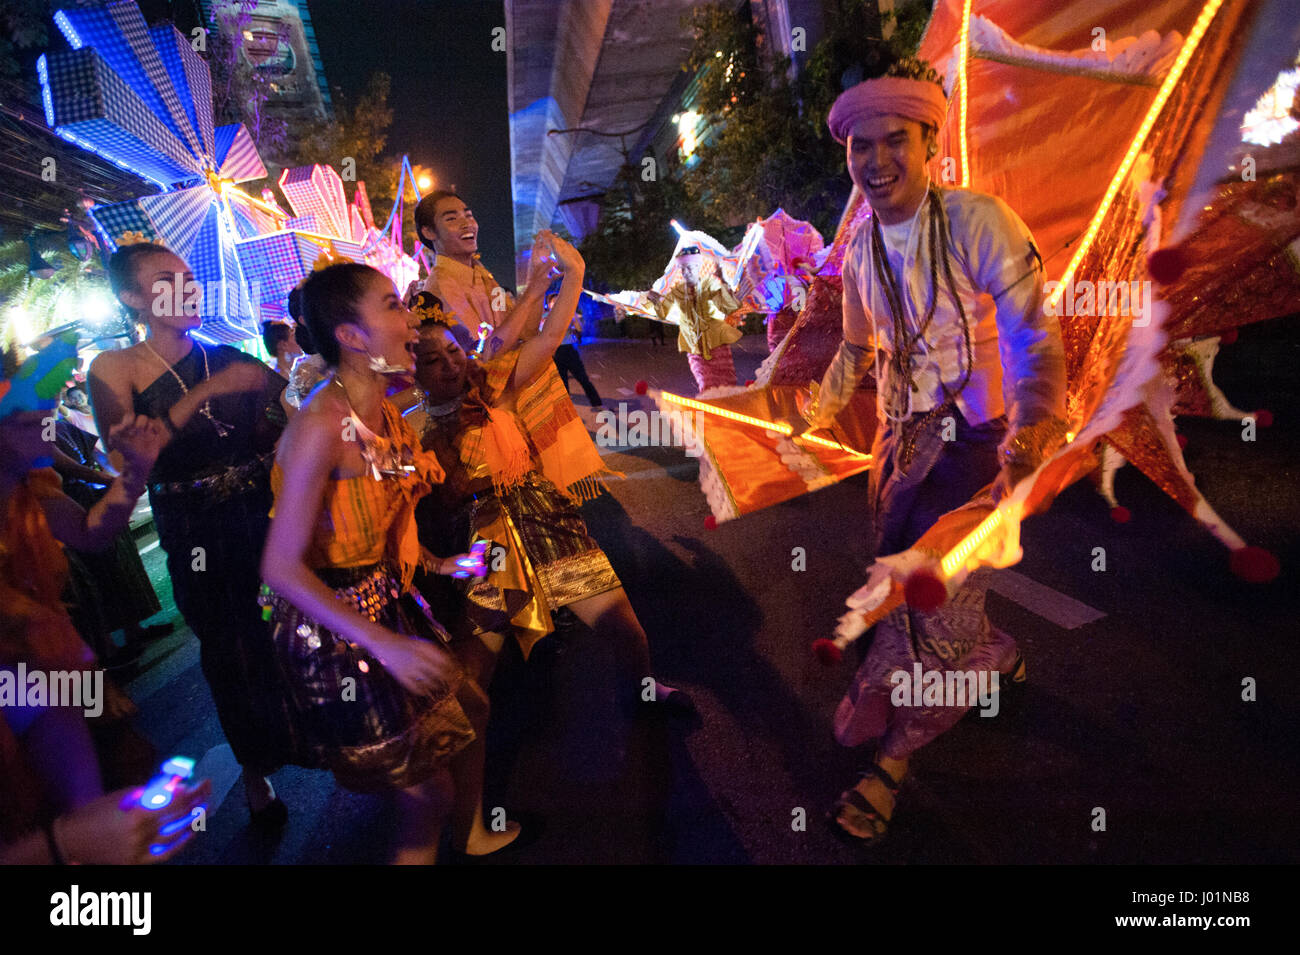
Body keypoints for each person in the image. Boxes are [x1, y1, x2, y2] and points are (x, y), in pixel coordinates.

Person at [800, 58, 1068, 844]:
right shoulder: (858, 254)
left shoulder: (982, 220)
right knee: (906, 595)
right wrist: (811, 411)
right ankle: (999, 656)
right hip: (897, 451)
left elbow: (1033, 334)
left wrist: (1034, 424)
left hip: (979, 446)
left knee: (927, 607)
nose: (876, 162)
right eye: (860, 148)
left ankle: (892, 764)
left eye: (894, 142)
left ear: (929, 145)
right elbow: (855, 352)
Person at [259, 262, 519, 863]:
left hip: (385, 604)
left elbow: (373, 519)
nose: (410, 317)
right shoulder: (322, 425)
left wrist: (437, 561)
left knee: (470, 711)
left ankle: (472, 834)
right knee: (426, 794)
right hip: (330, 628)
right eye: (392, 306)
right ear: (352, 336)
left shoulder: (389, 416)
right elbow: (280, 568)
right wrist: (385, 643)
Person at [410, 233, 693, 715]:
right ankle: (464, 759)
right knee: (473, 664)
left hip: (544, 517)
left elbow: (547, 336)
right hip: (490, 547)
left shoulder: (494, 384)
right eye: (431, 360)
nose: (450, 364)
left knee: (621, 624)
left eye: (453, 352)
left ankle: (646, 693)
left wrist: (572, 276)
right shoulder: (412, 427)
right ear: (411, 371)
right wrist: (437, 562)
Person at [87, 241, 301, 828]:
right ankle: (256, 777)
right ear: (132, 297)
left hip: (261, 515)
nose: (185, 288)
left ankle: (318, 739)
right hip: (195, 529)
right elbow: (132, 464)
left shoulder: (229, 357)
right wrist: (202, 397)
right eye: (163, 280)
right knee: (227, 649)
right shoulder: (114, 369)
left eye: (187, 276)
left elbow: (289, 421)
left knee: (286, 632)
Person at [1, 336, 209, 864]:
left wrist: (135, 473)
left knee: (118, 780)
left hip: (49, 673)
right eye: (25, 421)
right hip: (23, 683)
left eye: (43, 415)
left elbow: (91, 530)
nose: (45, 430)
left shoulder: (29, 483)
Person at [643, 247, 745, 393]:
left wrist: (723, 280)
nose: (686, 272)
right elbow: (663, 313)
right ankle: (713, 414)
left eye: (689, 268)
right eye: (683, 269)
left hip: (717, 343)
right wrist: (655, 300)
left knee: (727, 384)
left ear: (698, 267)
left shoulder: (709, 285)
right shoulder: (677, 291)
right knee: (706, 384)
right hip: (695, 346)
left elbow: (730, 306)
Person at [546, 292, 603, 408]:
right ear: (549, 304)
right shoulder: (545, 317)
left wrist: (573, 315)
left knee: (583, 378)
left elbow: (579, 328)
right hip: (554, 353)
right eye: (554, 301)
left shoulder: (568, 315)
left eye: (559, 300)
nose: (557, 303)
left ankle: (596, 403)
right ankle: (566, 409)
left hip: (569, 350)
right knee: (561, 384)